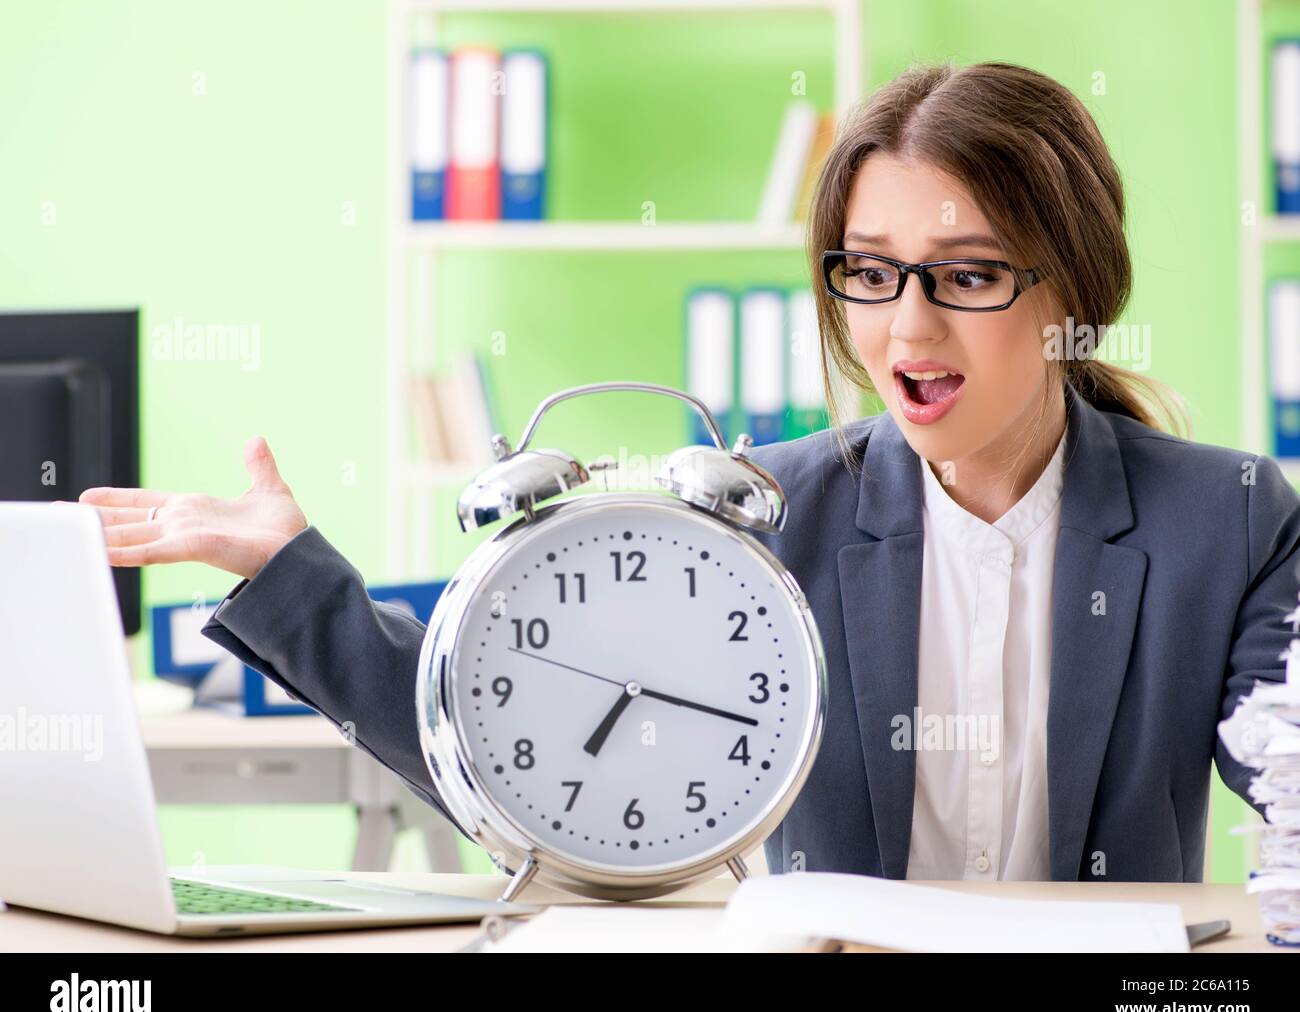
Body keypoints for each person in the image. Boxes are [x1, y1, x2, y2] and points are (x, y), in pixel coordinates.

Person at [82, 61, 1300, 882]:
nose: (906, 330)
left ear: (1071, 294)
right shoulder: (765, 511)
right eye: (866, 270)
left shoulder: (1226, 519)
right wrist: (290, 577)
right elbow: (523, 745)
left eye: (966, 273)